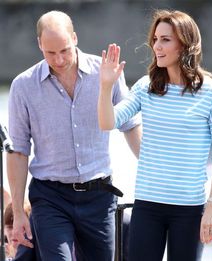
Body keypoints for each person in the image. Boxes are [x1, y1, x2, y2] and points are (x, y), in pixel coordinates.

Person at [7, 10, 141, 261]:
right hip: (50, 198)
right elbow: (18, 150)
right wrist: (18, 211)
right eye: (50, 53)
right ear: (39, 45)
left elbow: (130, 126)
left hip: (99, 196)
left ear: (75, 38)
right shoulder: (23, 86)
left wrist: (155, 169)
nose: (58, 60)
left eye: (65, 50)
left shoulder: (107, 74)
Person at [98, 9, 212, 261]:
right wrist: (106, 88)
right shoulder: (145, 87)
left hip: (190, 209)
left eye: (165, 39)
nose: (157, 46)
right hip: (148, 206)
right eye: (156, 39)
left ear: (185, 44)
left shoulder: (211, 92)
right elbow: (107, 122)